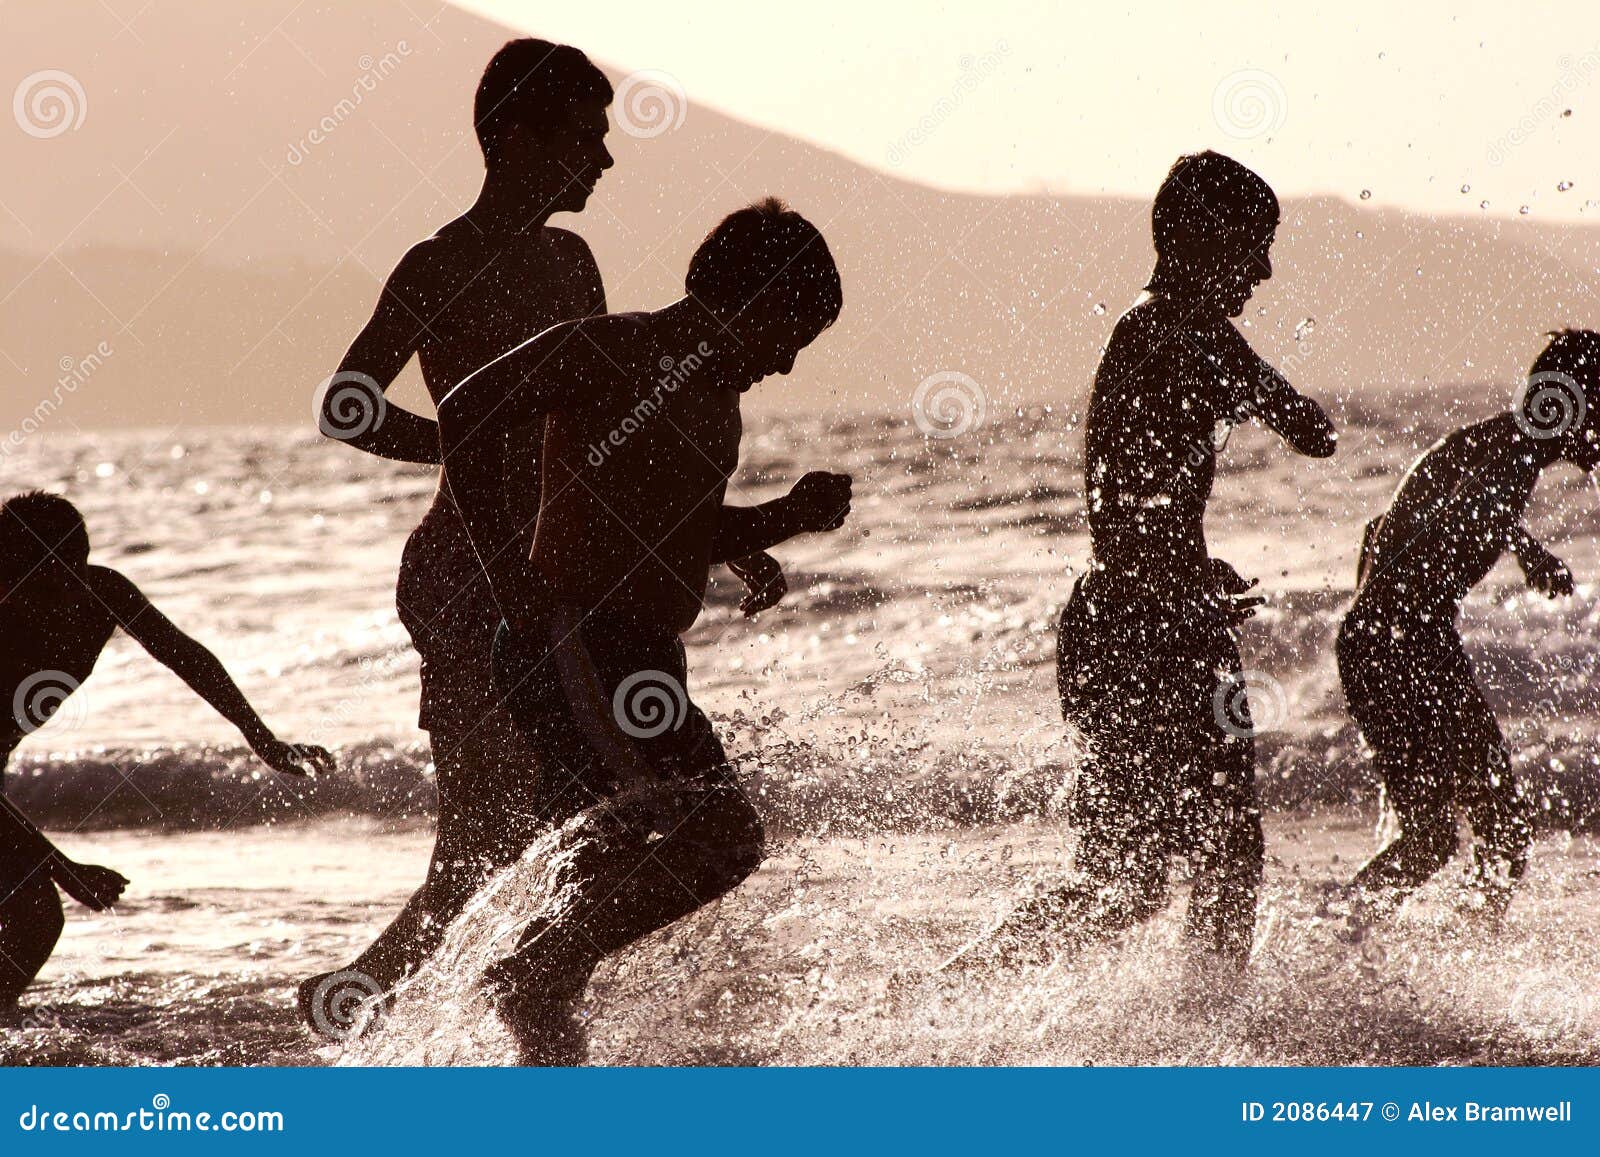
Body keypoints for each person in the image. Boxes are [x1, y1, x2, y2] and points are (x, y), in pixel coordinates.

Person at [302, 39, 787, 1029]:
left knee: (574, 825)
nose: (603, 158)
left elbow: (618, 416)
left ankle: (526, 1016)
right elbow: (347, 405)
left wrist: (711, 528)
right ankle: (347, 1012)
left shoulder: (572, 259)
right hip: (469, 572)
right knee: (480, 848)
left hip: (568, 567)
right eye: (586, 135)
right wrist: (465, 439)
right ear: (518, 138)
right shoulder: (437, 266)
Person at [436, 197, 852, 1062]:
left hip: (629, 656)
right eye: (786, 336)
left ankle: (544, 1047)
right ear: (746, 301)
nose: (782, 364)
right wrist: (508, 570)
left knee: (605, 858)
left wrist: (775, 523)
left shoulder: (714, 398)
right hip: (579, 641)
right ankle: (536, 974)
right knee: (721, 834)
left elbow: (671, 524)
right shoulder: (620, 349)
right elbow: (464, 411)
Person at [951, 152, 1336, 973]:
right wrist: (1181, 578)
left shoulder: (1164, 328)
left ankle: (1201, 1026)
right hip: (1139, 629)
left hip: (1144, 620)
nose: (1265, 269)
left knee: (1171, 868)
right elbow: (1301, 420)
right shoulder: (1170, 327)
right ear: (1204, 240)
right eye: (1254, 247)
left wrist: (1192, 569)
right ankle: (956, 989)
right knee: (1162, 871)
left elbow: (1134, 502)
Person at [0, 492, 331, 1023]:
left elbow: (185, 654)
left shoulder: (99, 593)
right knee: (36, 914)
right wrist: (66, 870)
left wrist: (261, 738)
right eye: (38, 581)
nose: (60, 595)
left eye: (68, 571)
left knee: (29, 916)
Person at [1339, 330, 1600, 923]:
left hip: (1404, 643)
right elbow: (1464, 503)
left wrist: (1518, 541)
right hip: (1399, 648)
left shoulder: (1503, 447)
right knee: (1456, 836)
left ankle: (1420, 958)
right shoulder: (1508, 453)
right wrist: (1523, 548)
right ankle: (1335, 947)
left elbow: (1385, 524)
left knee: (1490, 832)